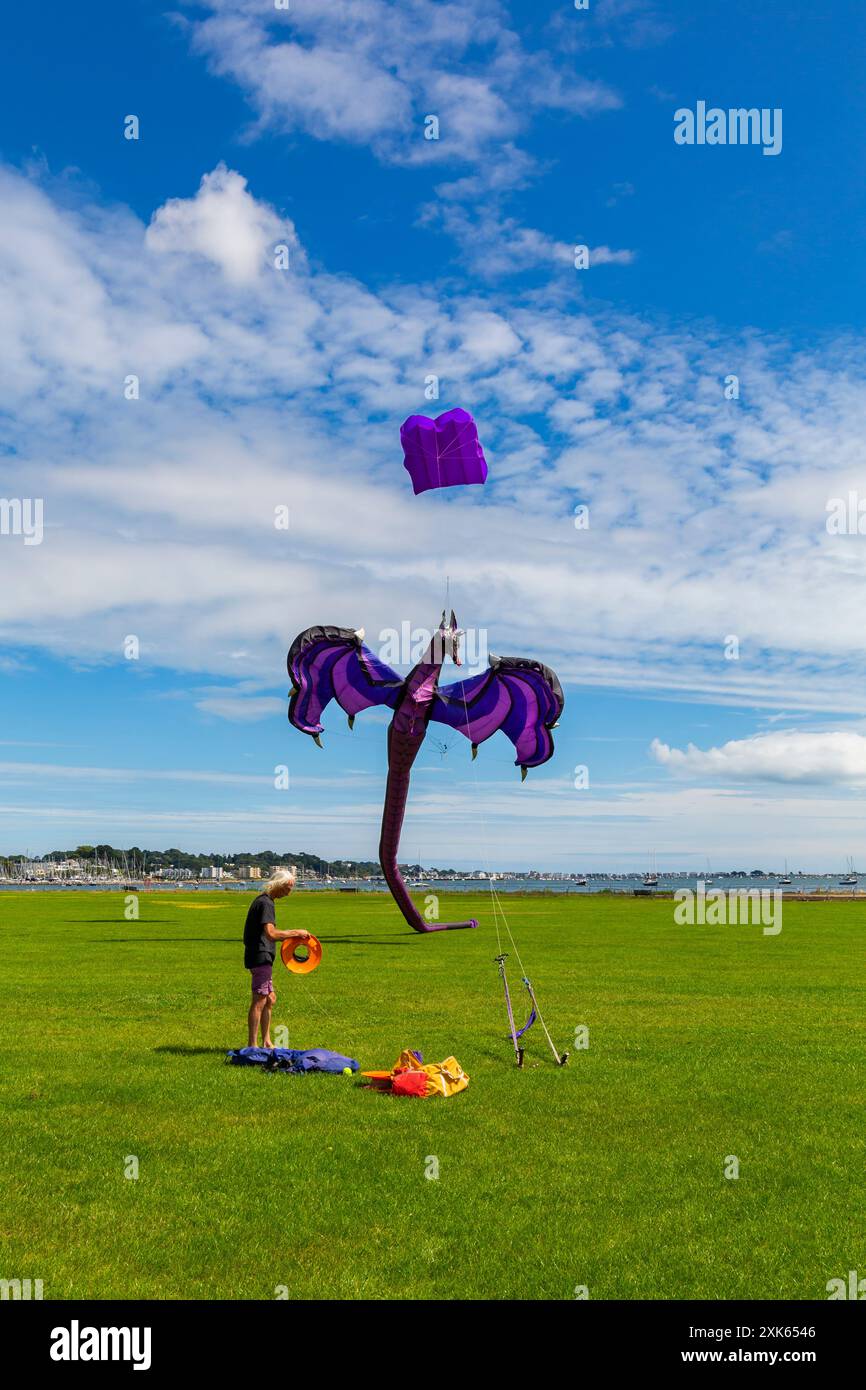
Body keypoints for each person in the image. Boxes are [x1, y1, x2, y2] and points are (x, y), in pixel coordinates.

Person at [243, 870, 309, 1048]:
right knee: (259, 1000)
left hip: (260, 955)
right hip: (260, 956)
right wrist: (297, 933)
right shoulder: (266, 903)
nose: (289, 892)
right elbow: (271, 933)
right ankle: (252, 1046)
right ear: (279, 885)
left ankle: (266, 1041)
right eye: (288, 888)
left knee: (270, 999)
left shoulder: (263, 900)